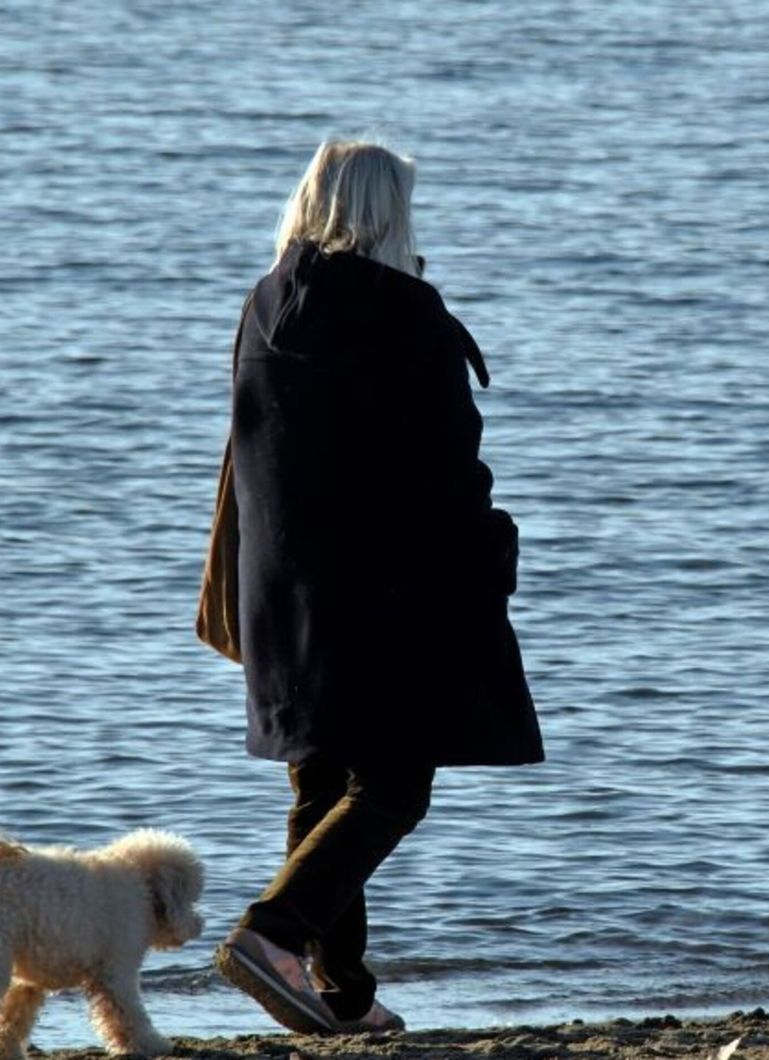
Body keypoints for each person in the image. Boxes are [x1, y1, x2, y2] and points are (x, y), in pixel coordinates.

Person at [199, 140, 543, 1035]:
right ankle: (271, 935)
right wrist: (491, 555)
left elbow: (247, 459)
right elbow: (446, 471)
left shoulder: (265, 304)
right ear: (391, 214)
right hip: (381, 596)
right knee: (393, 784)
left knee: (322, 783)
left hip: (281, 590)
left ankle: (338, 992)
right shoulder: (407, 315)